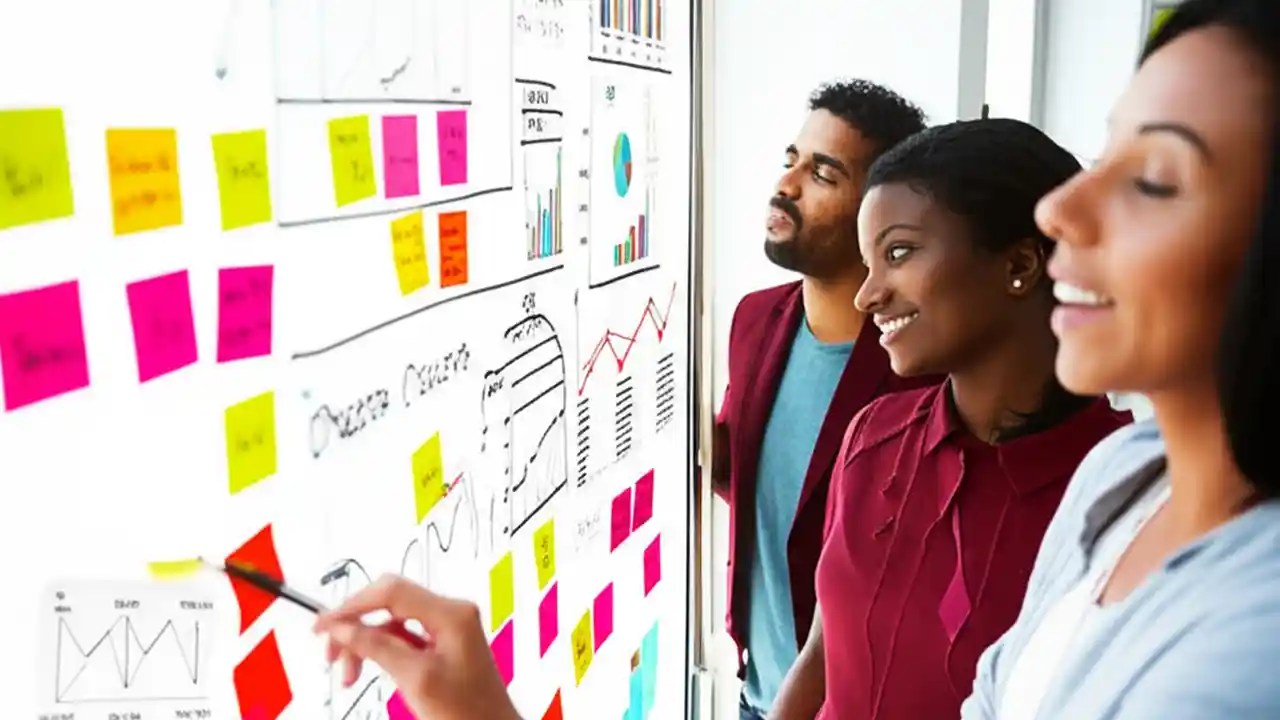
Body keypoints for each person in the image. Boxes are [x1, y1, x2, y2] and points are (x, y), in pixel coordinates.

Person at [962, 0, 1280, 717]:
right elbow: (991, 691)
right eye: (1107, 156)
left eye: (1155, 180)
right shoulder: (1126, 469)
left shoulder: (1255, 651)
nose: (1058, 210)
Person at [768, 119, 1133, 720]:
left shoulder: (1125, 492)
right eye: (869, 262)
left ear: (1020, 262)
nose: (867, 294)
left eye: (899, 253)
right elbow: (820, 658)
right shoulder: (871, 438)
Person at [711, 79, 937, 720]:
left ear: (878, 212)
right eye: (791, 160)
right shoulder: (754, 321)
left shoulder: (918, 366)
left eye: (823, 173)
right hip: (756, 691)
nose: (787, 186)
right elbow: (775, 487)